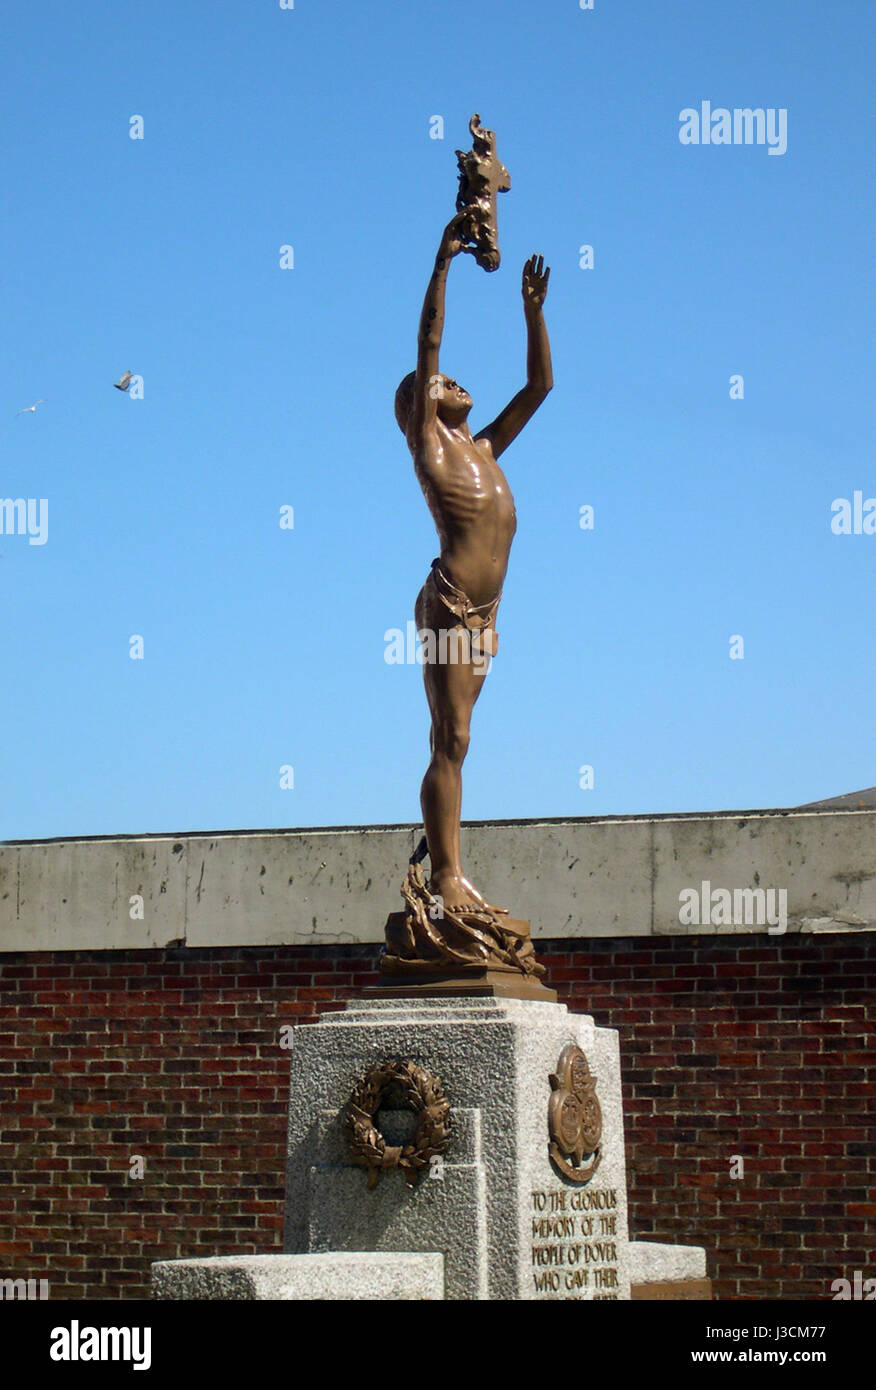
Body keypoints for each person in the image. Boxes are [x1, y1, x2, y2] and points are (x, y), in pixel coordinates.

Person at [394, 210, 552, 918]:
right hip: (453, 600)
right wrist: (443, 260)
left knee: (461, 740)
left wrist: (532, 313)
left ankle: (447, 861)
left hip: (487, 615)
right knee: (450, 736)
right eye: (442, 380)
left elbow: (540, 386)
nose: (454, 380)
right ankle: (446, 878)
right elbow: (428, 341)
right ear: (422, 406)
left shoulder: (483, 449)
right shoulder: (431, 446)